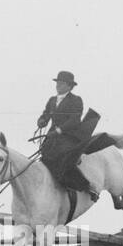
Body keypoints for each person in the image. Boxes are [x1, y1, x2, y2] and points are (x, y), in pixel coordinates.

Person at [37, 70, 100, 200]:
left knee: (63, 159)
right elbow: (46, 114)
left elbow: (74, 120)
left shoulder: (76, 100)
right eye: (57, 83)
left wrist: (59, 130)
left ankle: (87, 186)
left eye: (61, 83)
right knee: (44, 158)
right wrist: (41, 121)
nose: (57, 85)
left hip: (68, 137)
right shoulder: (52, 100)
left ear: (69, 86)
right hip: (52, 137)